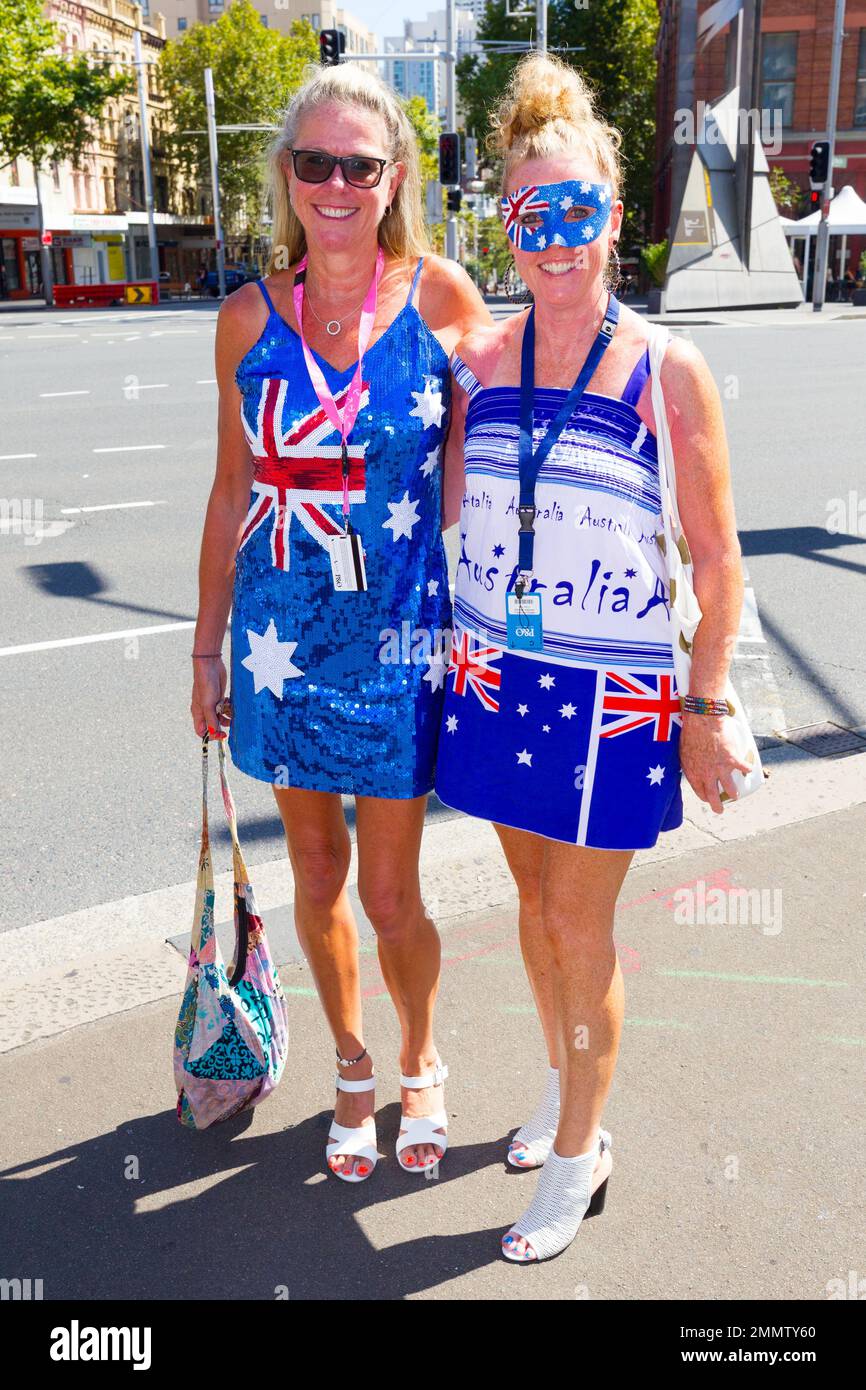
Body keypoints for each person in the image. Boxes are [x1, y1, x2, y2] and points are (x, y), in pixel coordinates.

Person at [435, 53, 752, 1262]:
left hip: (614, 701)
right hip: (498, 678)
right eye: (532, 215)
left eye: (577, 211)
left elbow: (716, 561)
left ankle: (580, 1147)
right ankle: (565, 1090)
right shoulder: (481, 364)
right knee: (528, 906)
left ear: (612, 217)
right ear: (506, 225)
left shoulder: (665, 368)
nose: (556, 239)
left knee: (581, 928)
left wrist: (708, 701)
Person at [190, 61, 490, 1183]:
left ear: (392, 177)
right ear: (285, 176)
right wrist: (204, 645)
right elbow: (228, 491)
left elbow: (491, 451)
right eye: (311, 162)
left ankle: (422, 1059)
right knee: (313, 875)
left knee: (390, 890)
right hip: (277, 642)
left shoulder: (440, 298)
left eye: (355, 166)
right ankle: (352, 1067)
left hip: (396, 645)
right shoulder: (241, 318)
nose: (332, 184)